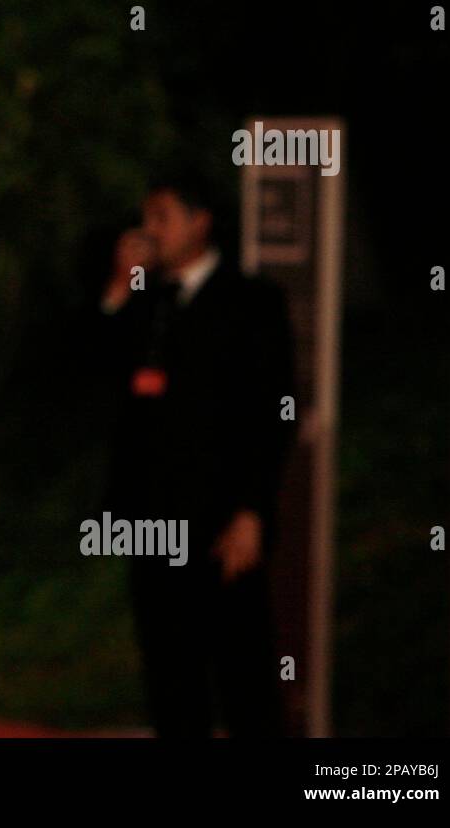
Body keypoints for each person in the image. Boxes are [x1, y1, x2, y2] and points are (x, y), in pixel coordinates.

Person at [98, 171, 296, 737]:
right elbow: (100, 380)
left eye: (162, 217)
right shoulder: (147, 303)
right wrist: (117, 293)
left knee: (241, 672)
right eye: (145, 220)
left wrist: (252, 510)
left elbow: (271, 413)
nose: (149, 232)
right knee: (170, 672)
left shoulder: (250, 301)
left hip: (219, 518)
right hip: (152, 518)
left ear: (199, 221)